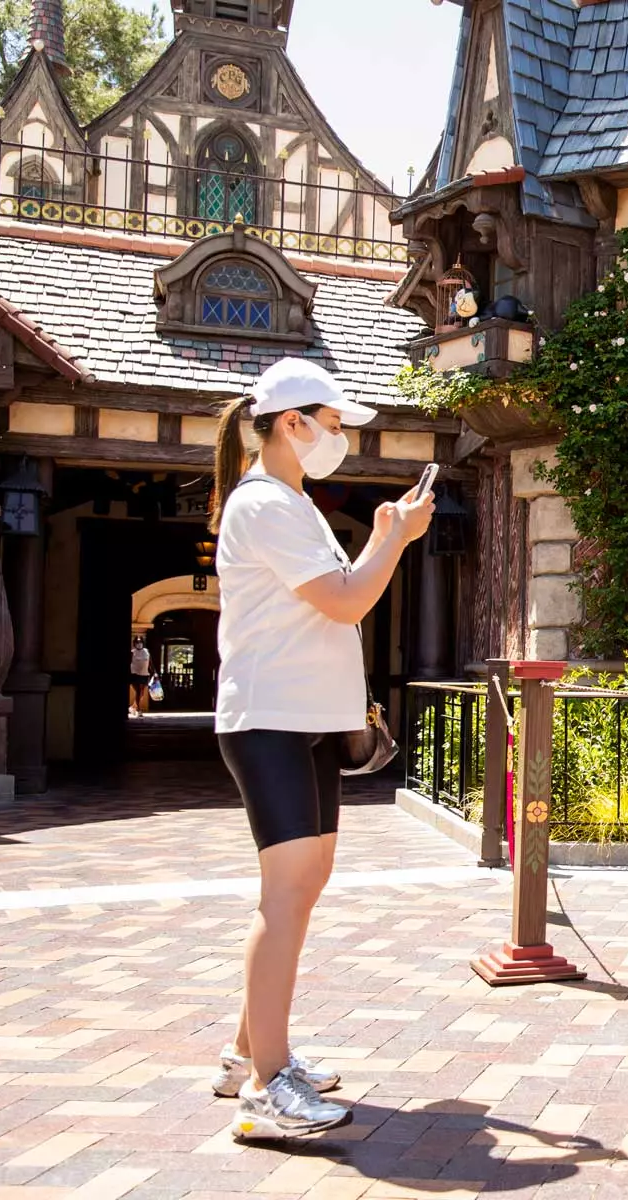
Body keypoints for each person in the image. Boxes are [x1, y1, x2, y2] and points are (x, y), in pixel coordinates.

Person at [207, 357, 434, 1139]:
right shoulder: (264, 504)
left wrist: (379, 536)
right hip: (269, 717)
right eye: (334, 425)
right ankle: (267, 1085)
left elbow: (334, 599)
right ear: (292, 422)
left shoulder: (293, 505)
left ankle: (251, 1054)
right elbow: (345, 603)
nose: (342, 440)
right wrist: (395, 540)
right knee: (286, 894)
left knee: (301, 887)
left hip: (301, 717)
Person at [128, 636, 152, 718]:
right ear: (134, 643)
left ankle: (132, 707)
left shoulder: (146, 651)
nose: (139, 644)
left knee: (141, 693)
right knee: (138, 691)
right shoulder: (132, 652)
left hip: (145, 674)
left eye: (140, 642)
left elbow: (150, 662)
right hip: (134, 674)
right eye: (137, 642)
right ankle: (139, 710)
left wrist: (154, 672)